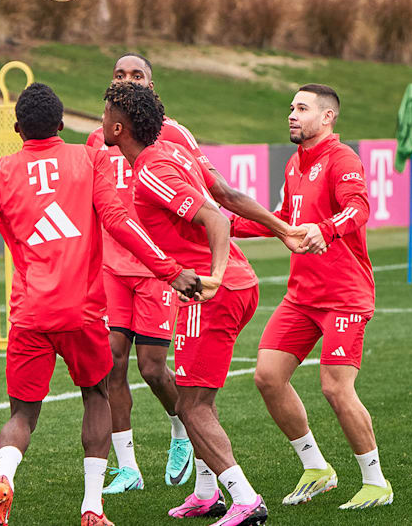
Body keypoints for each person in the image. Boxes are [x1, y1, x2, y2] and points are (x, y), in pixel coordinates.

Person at [0, 83, 203, 526]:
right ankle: (93, 507)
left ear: (17, 130)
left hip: (30, 314)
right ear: (62, 124)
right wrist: (170, 270)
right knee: (96, 395)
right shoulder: (89, 158)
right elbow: (119, 221)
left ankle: (4, 476)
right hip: (84, 314)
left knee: (22, 414)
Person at [88, 54, 300, 497]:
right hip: (172, 276)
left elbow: (217, 211)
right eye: (119, 78)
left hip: (191, 283)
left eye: (136, 77)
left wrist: (215, 275)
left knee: (182, 394)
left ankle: (244, 497)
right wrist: (282, 231)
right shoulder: (128, 150)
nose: (125, 85)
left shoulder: (155, 162)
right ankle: (203, 491)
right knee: (182, 392)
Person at [234, 84, 393, 510]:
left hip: (344, 296)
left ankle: (376, 482)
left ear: (327, 118)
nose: (291, 114)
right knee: (267, 375)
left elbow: (359, 207)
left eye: (302, 108)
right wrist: (225, 224)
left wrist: (326, 229)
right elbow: (284, 220)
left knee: (335, 388)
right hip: (302, 297)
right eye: (290, 107)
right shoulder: (295, 164)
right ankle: (317, 468)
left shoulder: (343, 159)